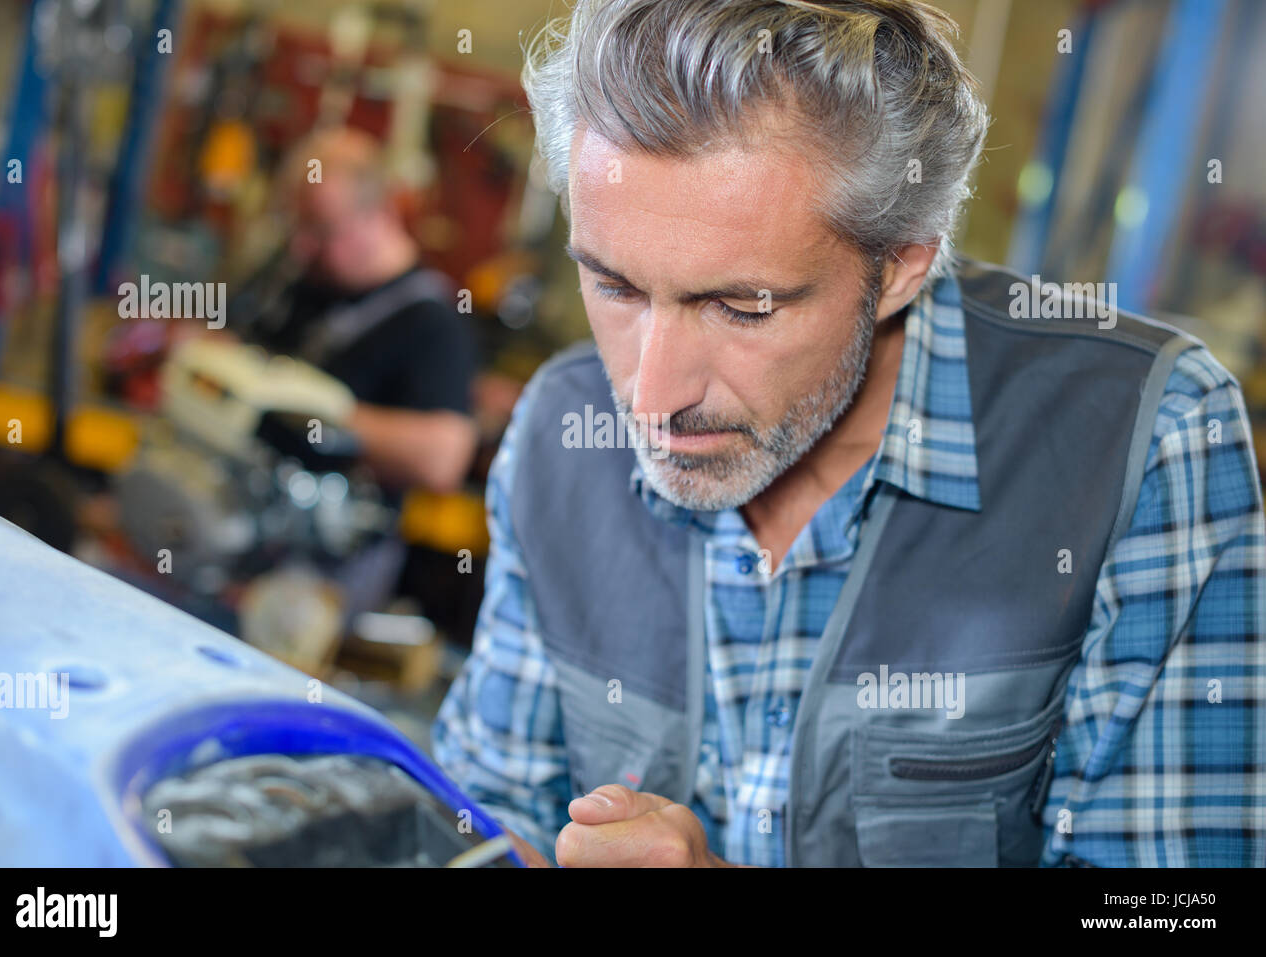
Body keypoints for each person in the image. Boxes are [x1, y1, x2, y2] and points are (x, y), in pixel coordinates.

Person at [430, 0, 1266, 868]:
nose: (651, 394)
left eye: (742, 306)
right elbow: (489, 813)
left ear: (901, 262)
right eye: (615, 287)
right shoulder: (560, 439)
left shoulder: (1149, 440)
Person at [241, 127, 478, 496]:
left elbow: (444, 456)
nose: (302, 246)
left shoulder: (431, 321)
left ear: (380, 213)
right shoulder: (298, 278)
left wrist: (311, 411)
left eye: (321, 228)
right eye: (297, 226)